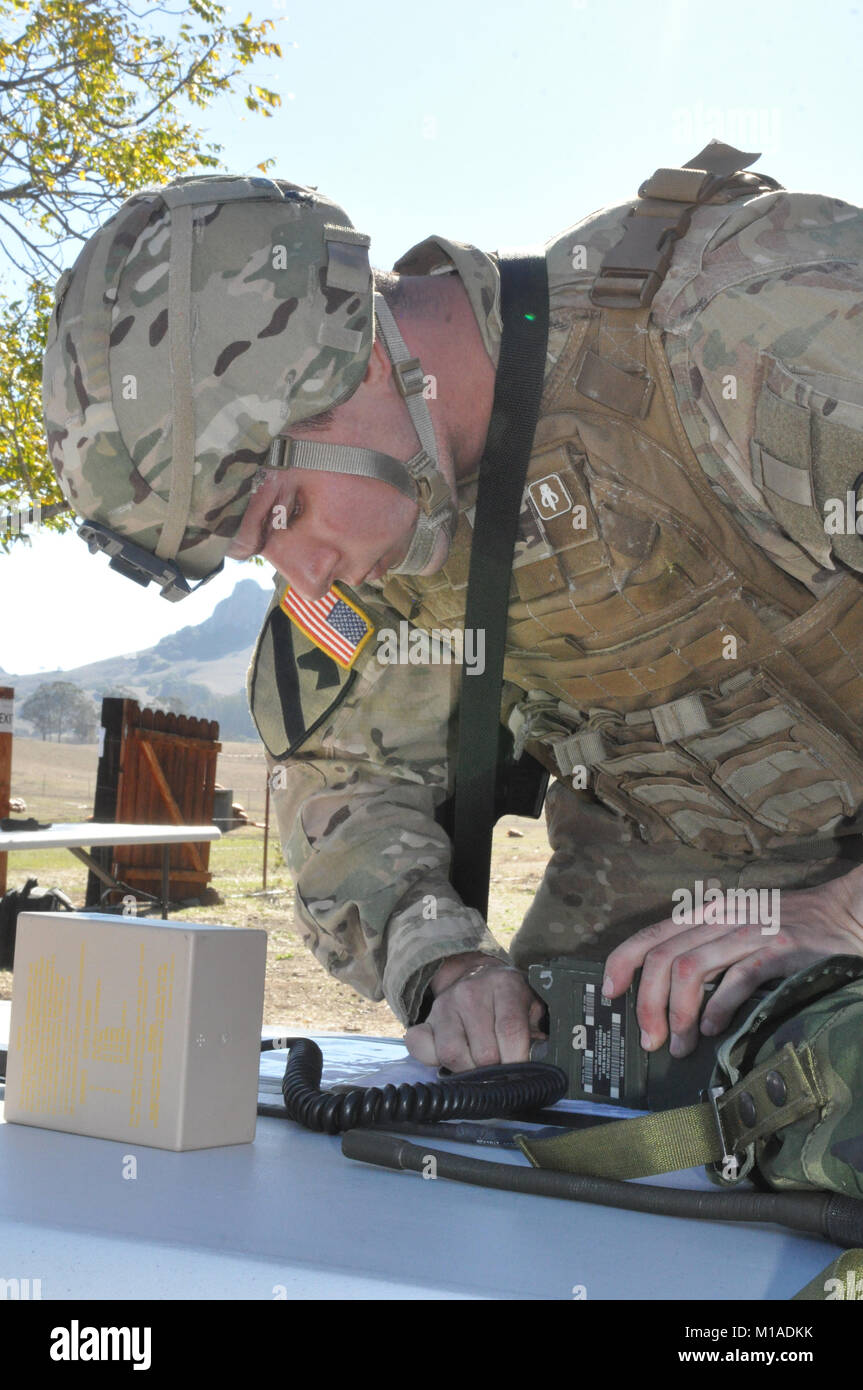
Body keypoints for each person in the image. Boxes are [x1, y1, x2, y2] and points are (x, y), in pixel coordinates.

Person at [42, 147, 863, 1076]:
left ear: (350, 364)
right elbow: (347, 788)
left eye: (281, 514)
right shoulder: (376, 538)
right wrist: (448, 962)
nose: (303, 579)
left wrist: (841, 914)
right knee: (548, 1124)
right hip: (671, 877)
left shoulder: (741, 323)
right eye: (257, 547)